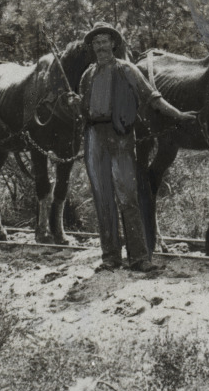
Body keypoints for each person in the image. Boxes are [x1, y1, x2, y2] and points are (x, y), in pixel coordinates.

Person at [77, 23, 197, 272]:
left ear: (113, 44)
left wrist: (178, 114)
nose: (100, 46)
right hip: (93, 138)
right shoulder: (88, 75)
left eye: (104, 41)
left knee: (127, 197)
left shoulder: (127, 70)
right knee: (103, 199)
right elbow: (82, 109)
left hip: (120, 137)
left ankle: (139, 258)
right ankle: (110, 257)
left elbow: (153, 97)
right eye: (96, 42)